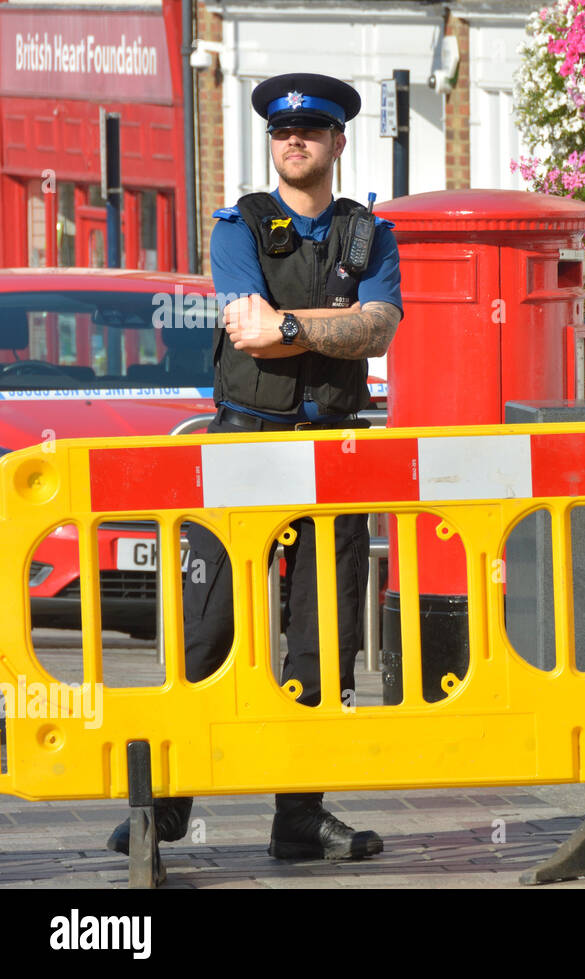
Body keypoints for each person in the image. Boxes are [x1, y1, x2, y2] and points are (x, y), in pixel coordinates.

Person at [108, 72, 402, 861]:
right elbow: (249, 332)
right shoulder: (239, 225)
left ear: (338, 142)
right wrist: (324, 325)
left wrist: (296, 323)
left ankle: (299, 815)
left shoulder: (369, 236)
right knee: (208, 631)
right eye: (281, 133)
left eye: (309, 132)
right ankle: (166, 809)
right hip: (243, 446)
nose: (293, 142)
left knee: (323, 642)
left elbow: (378, 331)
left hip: (332, 452)